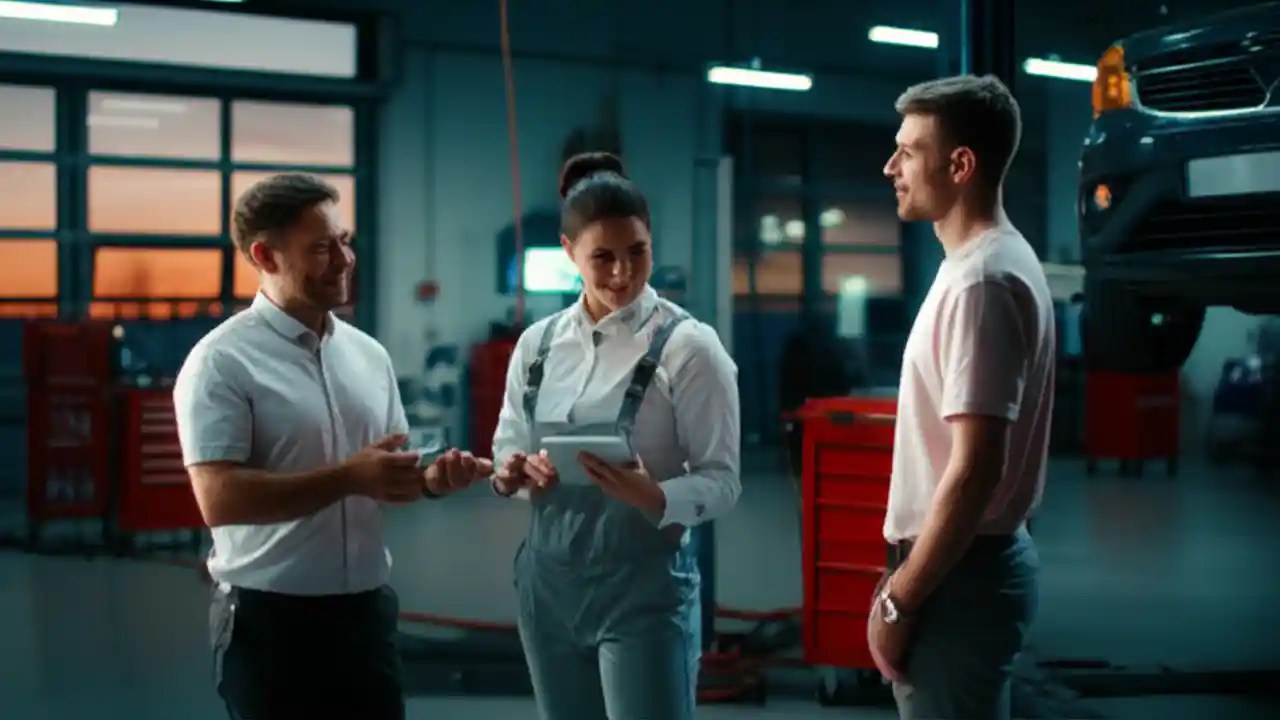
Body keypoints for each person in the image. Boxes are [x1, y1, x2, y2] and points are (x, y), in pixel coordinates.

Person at [173, 173, 493, 720]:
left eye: (344, 241)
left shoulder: (369, 356)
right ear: (265, 256)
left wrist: (433, 482)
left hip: (366, 616)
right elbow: (220, 499)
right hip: (271, 626)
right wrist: (348, 477)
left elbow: (386, 475)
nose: (344, 260)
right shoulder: (221, 363)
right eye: (321, 248)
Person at [490, 152, 741, 720]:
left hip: (645, 588)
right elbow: (507, 441)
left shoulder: (689, 348)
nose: (623, 273)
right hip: (547, 584)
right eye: (602, 257)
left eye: (638, 252)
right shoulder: (537, 346)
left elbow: (724, 481)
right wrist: (512, 472)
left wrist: (659, 496)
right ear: (569, 252)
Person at [868, 75, 1056, 720]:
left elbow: (976, 467)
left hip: (958, 578)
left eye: (908, 152)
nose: (890, 166)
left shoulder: (982, 279)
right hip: (965, 567)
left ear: (961, 164)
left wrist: (901, 600)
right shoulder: (981, 262)